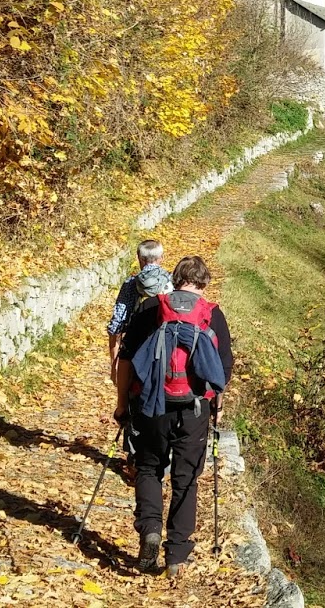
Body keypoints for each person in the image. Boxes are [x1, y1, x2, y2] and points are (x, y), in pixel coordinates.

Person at [114, 255, 234, 577]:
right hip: (194, 408)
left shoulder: (151, 308)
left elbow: (126, 360)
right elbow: (222, 371)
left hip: (151, 404)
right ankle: (177, 556)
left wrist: (122, 404)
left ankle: (150, 528)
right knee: (186, 479)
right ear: (203, 282)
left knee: (149, 467)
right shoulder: (213, 315)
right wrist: (216, 408)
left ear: (176, 278)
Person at [108, 240, 173, 485]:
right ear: (161, 258)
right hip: (166, 351)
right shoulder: (172, 283)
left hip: (135, 352)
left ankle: (135, 462)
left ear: (139, 258)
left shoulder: (130, 285)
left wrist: (114, 358)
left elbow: (117, 324)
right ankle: (162, 460)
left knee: (133, 402)